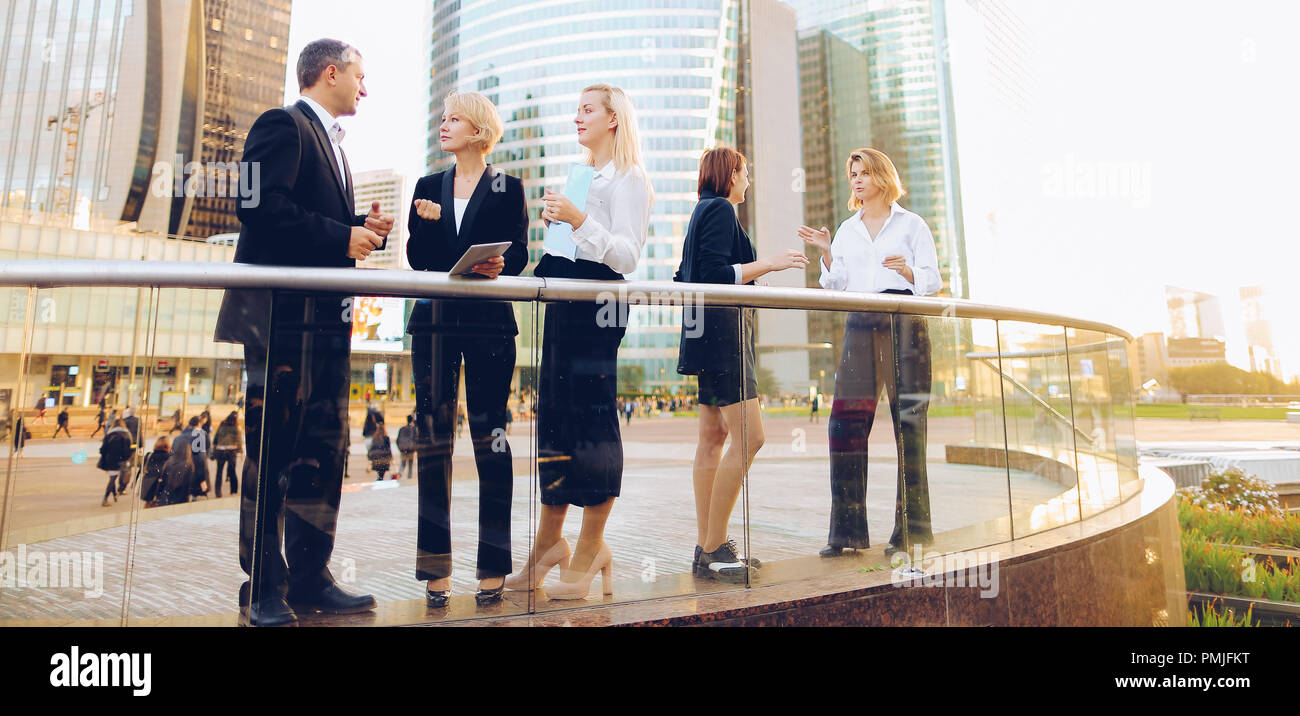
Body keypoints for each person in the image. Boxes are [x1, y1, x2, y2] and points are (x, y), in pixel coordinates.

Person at [212, 38, 391, 626]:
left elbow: (307, 220)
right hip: (283, 324)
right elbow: (259, 206)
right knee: (273, 455)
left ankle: (312, 576)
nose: (365, 89)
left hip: (325, 326)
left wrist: (358, 228)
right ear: (331, 73)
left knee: (323, 452)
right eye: (360, 76)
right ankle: (262, 587)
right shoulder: (281, 125)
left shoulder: (334, 146)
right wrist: (340, 237)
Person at [505, 83, 653, 599]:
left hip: (599, 307)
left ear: (614, 119)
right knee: (557, 422)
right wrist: (556, 228)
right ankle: (548, 547)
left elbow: (628, 256)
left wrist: (579, 220)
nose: (577, 118)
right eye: (576, 111)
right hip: (565, 305)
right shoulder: (579, 174)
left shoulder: (630, 178)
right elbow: (567, 247)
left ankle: (591, 547)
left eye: (587, 110)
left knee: (591, 420)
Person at [406, 90, 527, 607]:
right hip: (434, 323)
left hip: (489, 327)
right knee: (434, 441)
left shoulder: (508, 187)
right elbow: (416, 258)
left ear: (478, 131)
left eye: (454, 118)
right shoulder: (427, 186)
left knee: (491, 441)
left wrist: (497, 265)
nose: (444, 124)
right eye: (443, 117)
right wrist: (430, 225)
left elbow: (518, 255)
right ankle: (435, 570)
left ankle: (492, 565)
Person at [674, 146, 808, 581]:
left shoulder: (702, 211)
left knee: (713, 437)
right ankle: (714, 546)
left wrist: (748, 274)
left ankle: (707, 546)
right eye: (745, 172)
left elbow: (687, 274)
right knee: (750, 436)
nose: (748, 180)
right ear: (730, 175)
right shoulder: (719, 211)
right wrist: (766, 263)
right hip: (722, 338)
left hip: (706, 336)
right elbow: (711, 276)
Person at [799, 147, 939, 557]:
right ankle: (846, 534)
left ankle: (911, 533)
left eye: (863, 172)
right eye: (852, 174)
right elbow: (837, 284)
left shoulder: (912, 225)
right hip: (860, 324)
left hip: (904, 321)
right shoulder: (847, 229)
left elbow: (933, 280)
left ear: (882, 176)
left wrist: (908, 272)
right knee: (844, 426)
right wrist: (826, 251)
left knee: (909, 428)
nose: (856, 180)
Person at [98, 419, 133, 506]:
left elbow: (102, 450)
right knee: (112, 479)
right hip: (120, 460)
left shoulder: (109, 435)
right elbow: (127, 451)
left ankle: (114, 495)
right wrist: (126, 459)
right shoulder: (126, 435)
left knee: (112, 477)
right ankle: (105, 499)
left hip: (109, 460)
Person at [173, 417, 210, 498]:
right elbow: (201, 458)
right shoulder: (200, 436)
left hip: (179, 471)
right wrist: (203, 479)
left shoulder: (178, 437)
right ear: (199, 424)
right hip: (195, 471)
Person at [212, 411, 242, 497]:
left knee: (219, 472)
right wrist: (240, 452)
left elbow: (215, 438)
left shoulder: (222, 425)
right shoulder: (236, 427)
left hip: (220, 451)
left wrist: (216, 446)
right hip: (231, 452)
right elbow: (239, 440)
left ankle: (218, 492)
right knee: (232, 471)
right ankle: (233, 491)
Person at [159, 439, 195, 507]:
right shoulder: (189, 465)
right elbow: (189, 484)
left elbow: (163, 480)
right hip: (181, 497)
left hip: (167, 495)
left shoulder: (169, 462)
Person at [140, 437, 171, 507]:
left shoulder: (149, 455)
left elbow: (141, 470)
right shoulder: (169, 457)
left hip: (148, 485)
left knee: (148, 505)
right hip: (161, 485)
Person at [395, 414, 416, 480]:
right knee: (410, 464)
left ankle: (399, 474)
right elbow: (415, 439)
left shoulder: (402, 429)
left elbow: (397, 440)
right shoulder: (413, 429)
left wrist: (400, 448)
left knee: (403, 463)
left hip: (403, 448)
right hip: (410, 448)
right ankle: (409, 477)